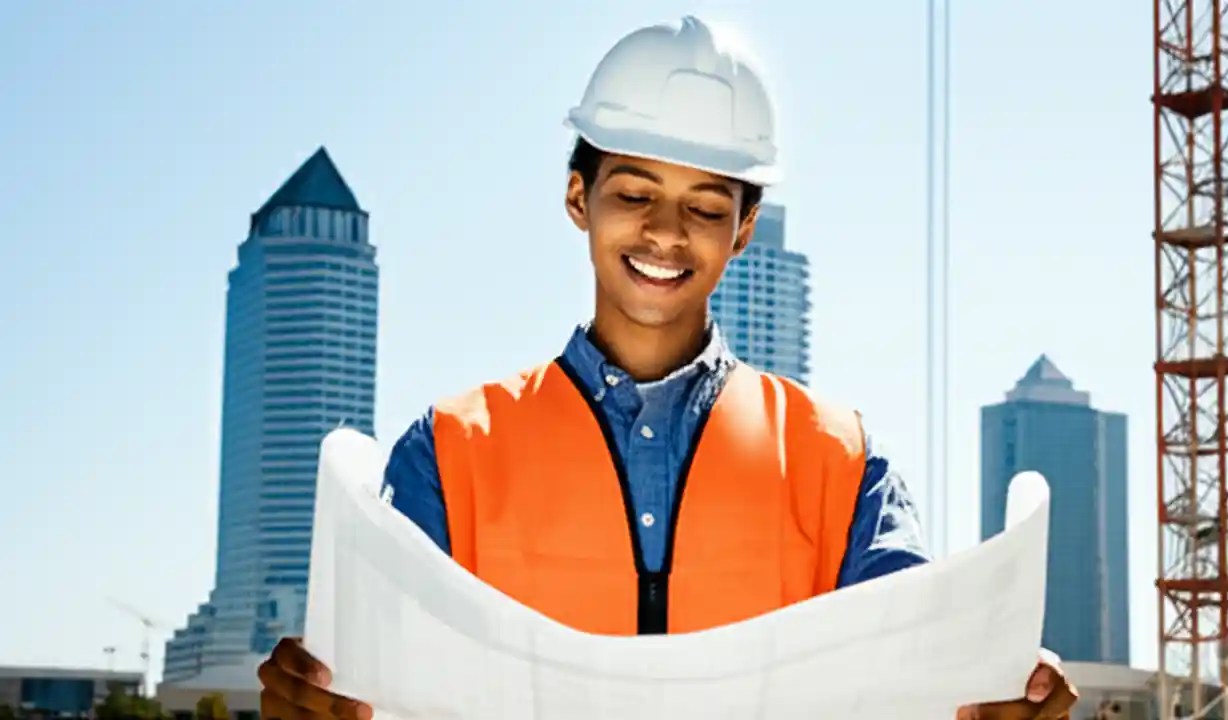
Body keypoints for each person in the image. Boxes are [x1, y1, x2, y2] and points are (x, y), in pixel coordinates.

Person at [259, 15, 1077, 720]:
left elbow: (917, 689)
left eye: (705, 207)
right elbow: (385, 689)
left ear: (744, 229)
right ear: (578, 197)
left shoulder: (843, 463)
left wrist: (994, 696)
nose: (665, 233)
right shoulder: (449, 452)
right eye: (634, 194)